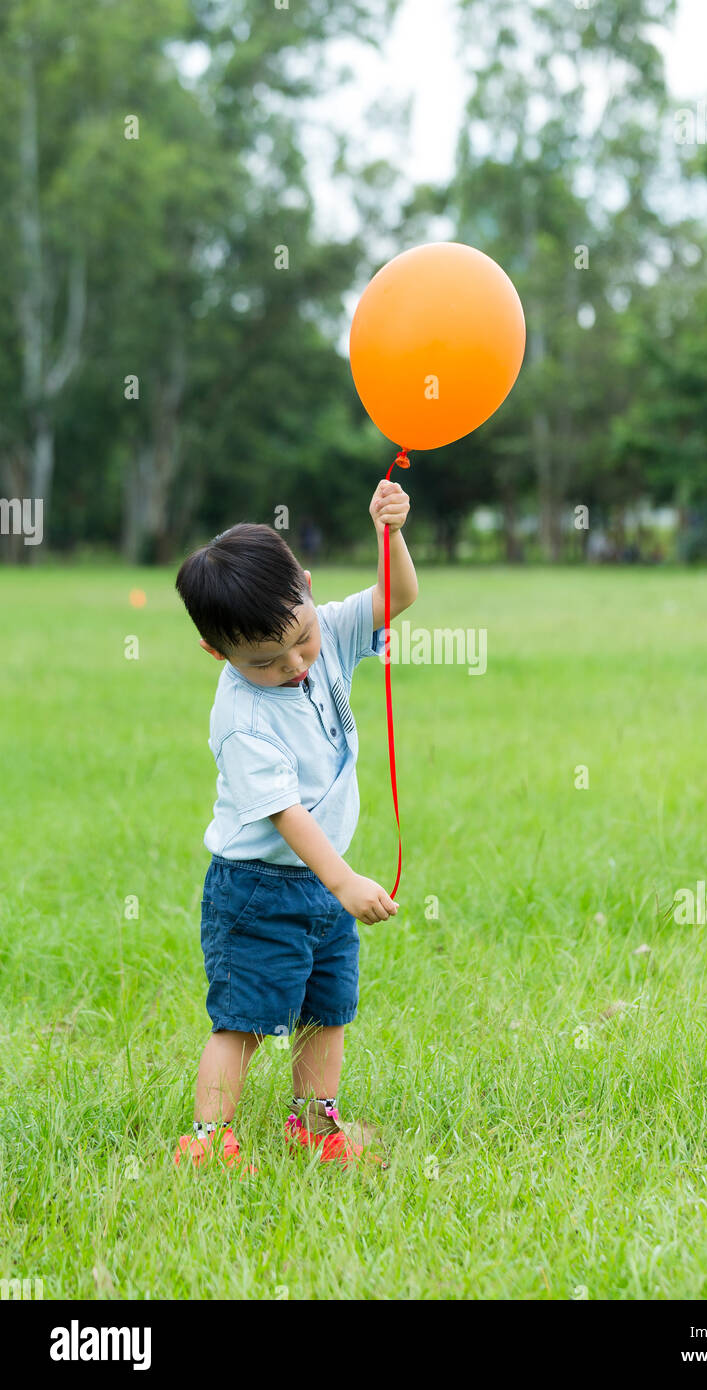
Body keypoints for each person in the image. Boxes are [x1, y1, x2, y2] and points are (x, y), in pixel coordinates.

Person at [172, 479, 417, 1172]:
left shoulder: (328, 630)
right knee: (245, 1021)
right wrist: (343, 882)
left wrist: (390, 534)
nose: (294, 666)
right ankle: (209, 1140)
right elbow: (288, 814)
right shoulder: (243, 719)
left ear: (308, 591)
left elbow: (395, 598)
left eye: (302, 641)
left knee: (327, 1012)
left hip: (321, 886)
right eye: (265, 663)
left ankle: (313, 1125)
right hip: (258, 891)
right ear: (217, 654)